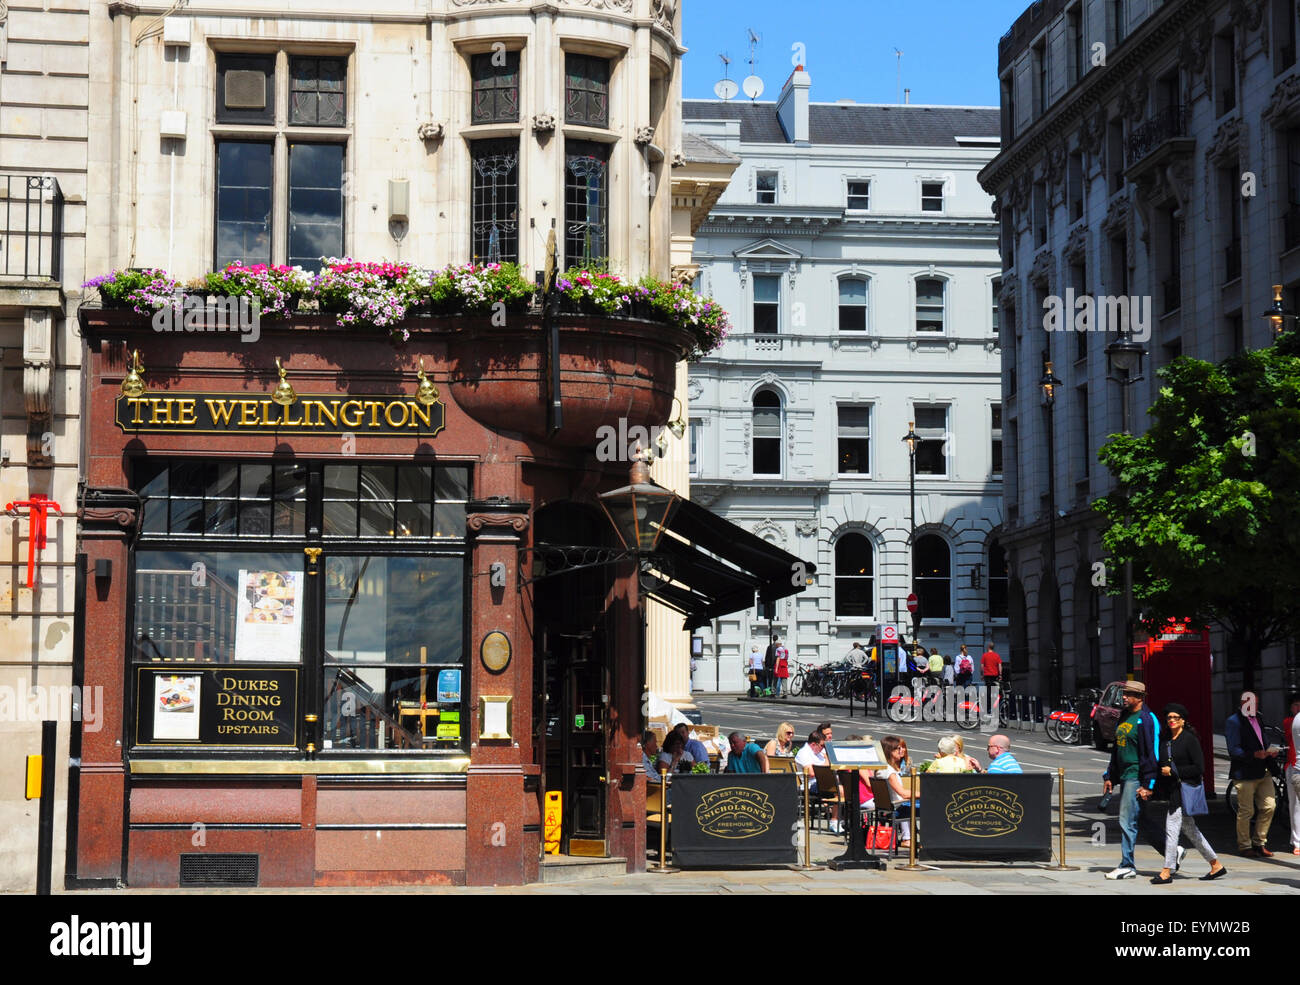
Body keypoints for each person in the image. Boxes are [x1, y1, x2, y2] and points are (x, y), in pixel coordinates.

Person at [1151, 703, 1225, 884]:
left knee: (1171, 830)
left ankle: (1166, 870)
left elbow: (1199, 768)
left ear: (1183, 720)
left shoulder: (1189, 740)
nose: (1172, 721)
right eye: (1169, 718)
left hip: (1184, 790)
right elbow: (1162, 763)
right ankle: (1216, 864)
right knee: (1192, 831)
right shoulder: (1166, 740)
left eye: (1176, 718)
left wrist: (1174, 771)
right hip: (1173, 790)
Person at [1101, 681, 1167, 879]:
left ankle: (1127, 865)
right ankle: (1173, 851)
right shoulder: (1125, 716)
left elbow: (1153, 754)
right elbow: (1118, 749)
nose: (1124, 697)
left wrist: (1149, 785)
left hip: (1136, 775)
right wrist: (1110, 776)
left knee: (1126, 819)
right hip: (1124, 774)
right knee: (1141, 820)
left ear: (1140, 697)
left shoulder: (1148, 719)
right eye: (1124, 693)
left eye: (1128, 694)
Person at [1225, 690, 1279, 857]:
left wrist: (1270, 750)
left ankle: (1259, 842)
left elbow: (1263, 740)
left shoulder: (1258, 718)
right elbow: (1233, 749)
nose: (1255, 706)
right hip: (1245, 772)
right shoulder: (1234, 722)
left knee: (1270, 806)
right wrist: (1254, 754)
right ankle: (1245, 845)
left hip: (1263, 770)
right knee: (1246, 811)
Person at [795, 729, 842, 834]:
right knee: (841, 790)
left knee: (849, 785)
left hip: (823, 782)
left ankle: (842, 818)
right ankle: (834, 821)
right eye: (822, 745)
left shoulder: (819, 752)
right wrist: (826, 763)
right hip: (810, 785)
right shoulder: (804, 753)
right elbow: (811, 773)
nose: (823, 748)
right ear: (813, 744)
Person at [878, 735, 919, 847]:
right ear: (889, 751)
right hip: (896, 808)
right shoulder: (890, 772)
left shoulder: (881, 768)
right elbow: (903, 793)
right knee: (927, 810)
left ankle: (910, 837)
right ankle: (910, 839)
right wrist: (925, 793)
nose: (902, 751)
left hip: (885, 807)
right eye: (898, 749)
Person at [1285, 692, 1300, 855]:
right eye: (1295, 704)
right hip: (1293, 765)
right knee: (1294, 805)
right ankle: (1296, 841)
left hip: (1294, 765)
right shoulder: (1291, 721)